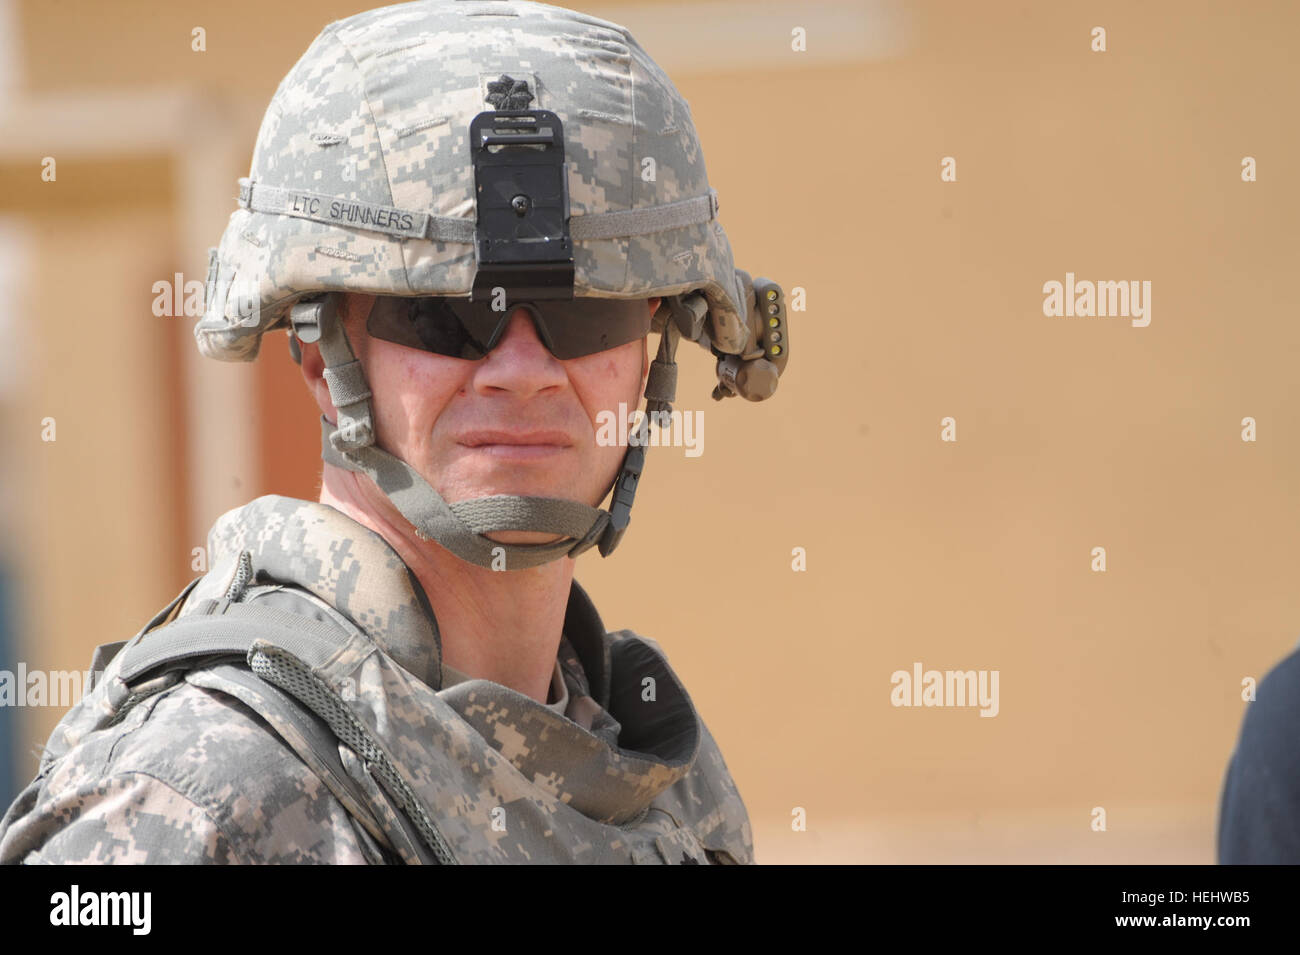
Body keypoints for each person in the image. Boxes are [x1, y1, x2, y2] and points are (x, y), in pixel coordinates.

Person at [0, 0, 789, 864]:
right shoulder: (200, 795)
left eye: (585, 314)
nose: (520, 370)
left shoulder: (673, 789)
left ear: (648, 354)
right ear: (321, 359)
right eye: (442, 314)